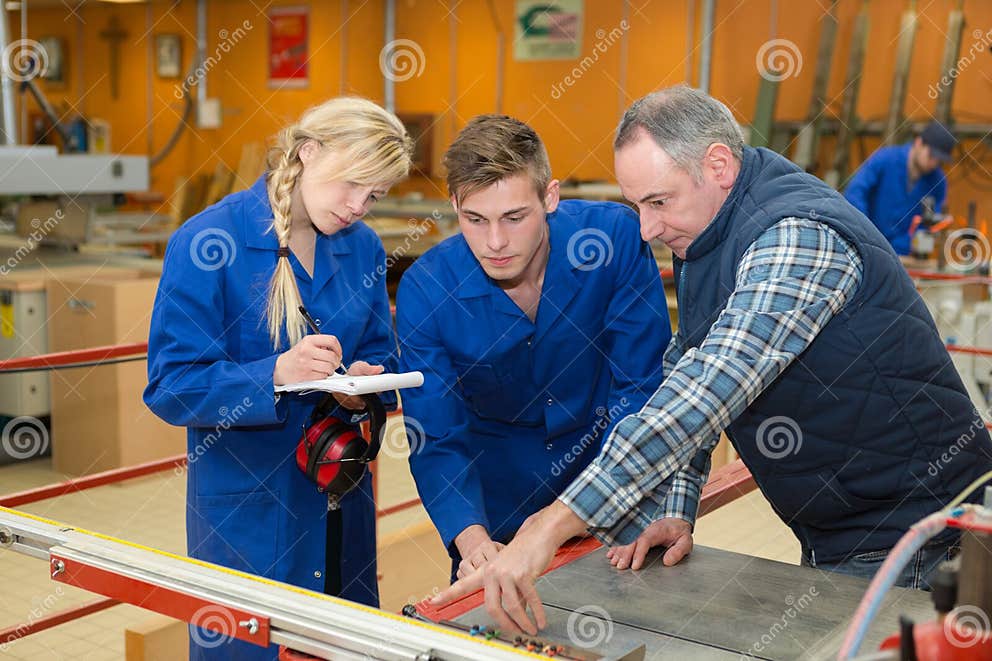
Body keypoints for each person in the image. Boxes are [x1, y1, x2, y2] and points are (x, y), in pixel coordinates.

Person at [431, 86, 992, 635]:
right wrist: (676, 505)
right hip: (845, 528)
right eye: (636, 205)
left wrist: (549, 527)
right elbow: (687, 365)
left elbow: (709, 387)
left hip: (921, 532)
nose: (646, 228)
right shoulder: (707, 237)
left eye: (658, 202)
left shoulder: (797, 238)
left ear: (718, 164)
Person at [144, 97, 413, 660]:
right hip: (250, 513)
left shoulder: (361, 246)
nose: (359, 206)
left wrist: (362, 384)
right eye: (353, 184)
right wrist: (273, 376)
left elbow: (379, 357)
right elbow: (171, 384)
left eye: (376, 195)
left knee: (343, 644)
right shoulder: (208, 243)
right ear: (308, 153)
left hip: (342, 501)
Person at [395, 114, 671, 581]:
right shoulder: (427, 289)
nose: (495, 242)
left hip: (617, 495)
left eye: (515, 217)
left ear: (550, 197)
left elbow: (639, 387)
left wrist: (596, 504)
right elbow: (437, 435)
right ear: (454, 204)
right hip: (497, 519)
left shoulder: (612, 241)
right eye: (475, 219)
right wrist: (472, 540)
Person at [844, 120, 956, 255]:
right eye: (931, 156)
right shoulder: (884, 159)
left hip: (901, 257)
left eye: (939, 161)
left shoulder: (938, 182)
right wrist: (864, 233)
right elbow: (855, 193)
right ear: (919, 143)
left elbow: (928, 227)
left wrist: (900, 248)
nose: (934, 164)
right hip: (864, 246)